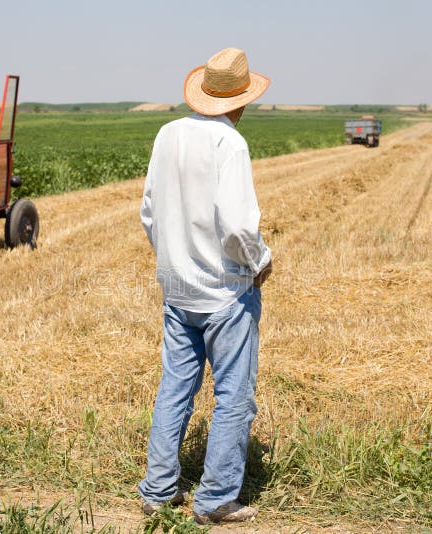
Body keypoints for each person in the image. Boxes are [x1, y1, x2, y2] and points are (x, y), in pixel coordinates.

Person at [138, 47, 273, 525]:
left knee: (175, 387)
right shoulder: (230, 143)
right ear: (242, 99)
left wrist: (174, 259)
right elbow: (237, 228)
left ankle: (157, 490)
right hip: (225, 293)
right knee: (234, 395)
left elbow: (150, 212)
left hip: (176, 290)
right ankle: (215, 499)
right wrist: (260, 261)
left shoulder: (167, 133)